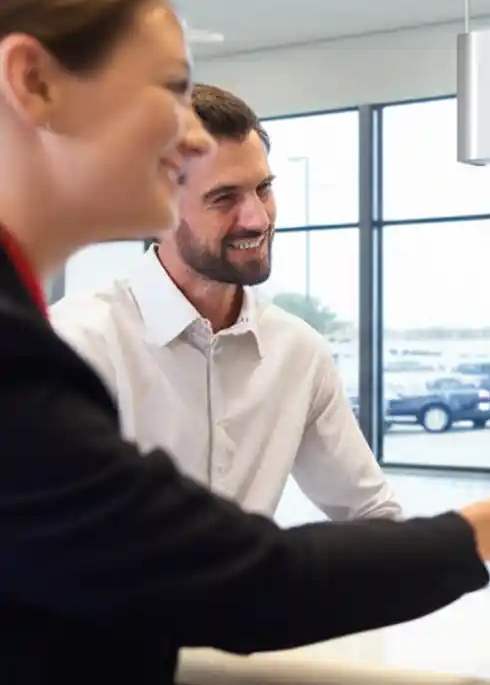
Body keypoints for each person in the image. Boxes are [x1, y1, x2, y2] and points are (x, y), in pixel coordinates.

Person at [0, 0, 490, 685]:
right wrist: (484, 533)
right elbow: (224, 577)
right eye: (167, 88)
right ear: (33, 83)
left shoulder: (35, 335)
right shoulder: (37, 356)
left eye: (261, 188)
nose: (190, 134)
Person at [51, 83, 399, 520]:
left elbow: (370, 512)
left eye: (263, 189)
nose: (257, 218)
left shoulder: (297, 353)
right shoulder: (74, 344)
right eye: (224, 198)